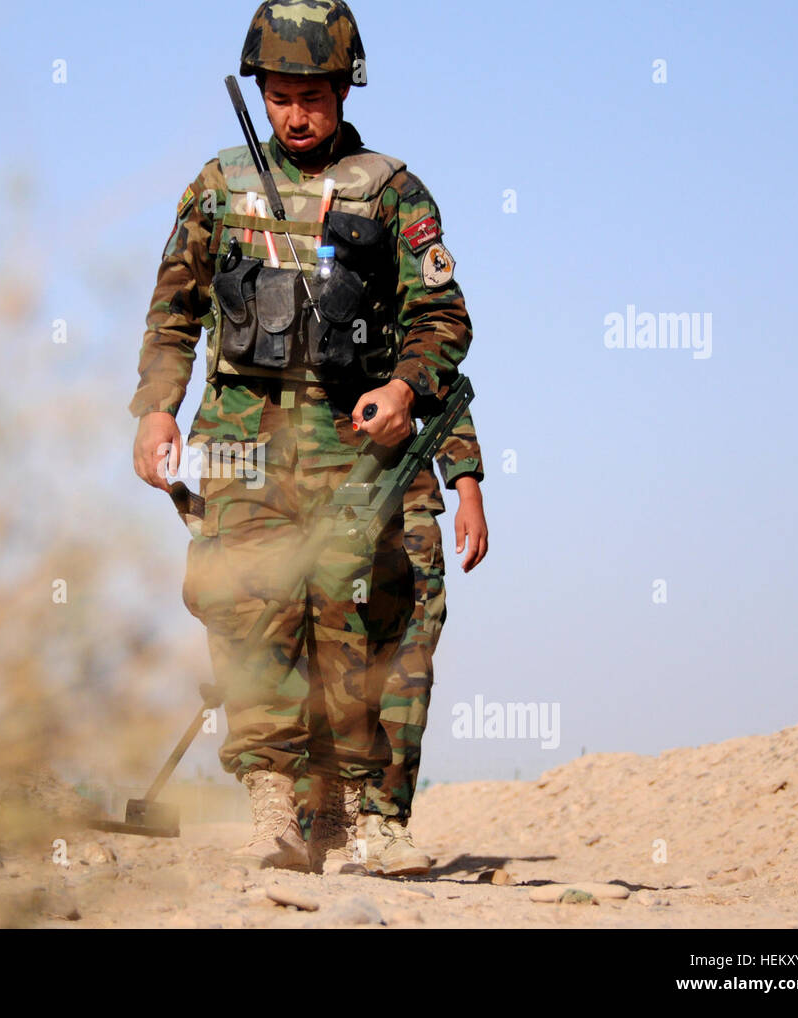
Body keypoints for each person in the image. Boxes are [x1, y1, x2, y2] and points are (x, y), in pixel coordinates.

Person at [129, 0, 488, 875]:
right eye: (281, 96)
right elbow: (173, 312)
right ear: (260, 90)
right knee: (251, 618)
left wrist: (415, 404)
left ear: (343, 89)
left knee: (375, 628)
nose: (297, 115)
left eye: (314, 98)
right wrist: (156, 408)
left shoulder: (392, 189)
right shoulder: (218, 188)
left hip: (362, 451)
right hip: (244, 445)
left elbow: (441, 322)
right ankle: (273, 810)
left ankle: (372, 822)